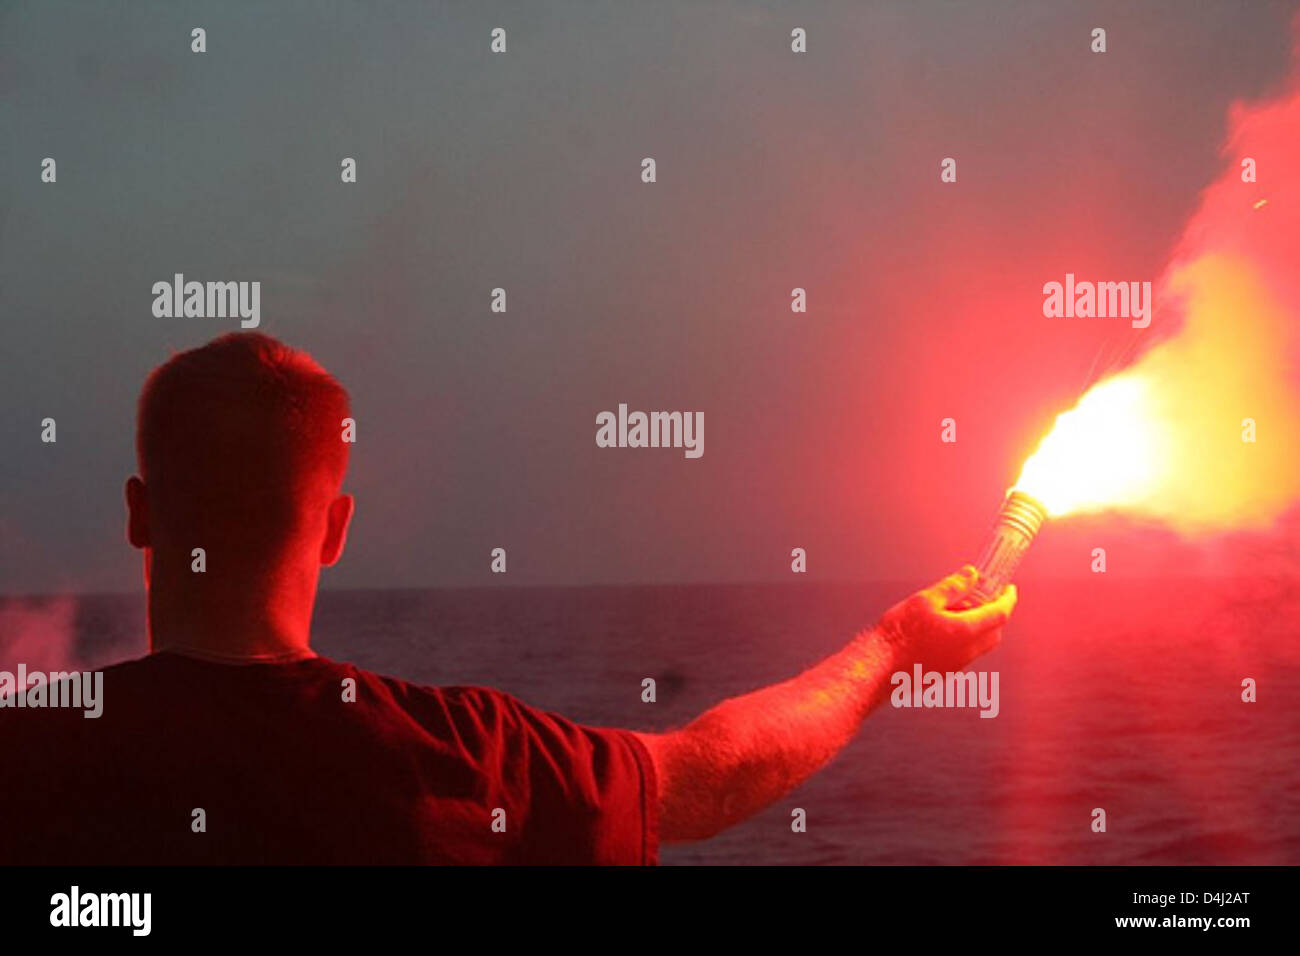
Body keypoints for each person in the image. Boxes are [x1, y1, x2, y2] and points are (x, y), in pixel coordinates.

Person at [0, 333, 1015, 865]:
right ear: (336, 527)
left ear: (140, 512)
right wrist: (891, 647)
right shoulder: (464, 755)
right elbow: (711, 773)